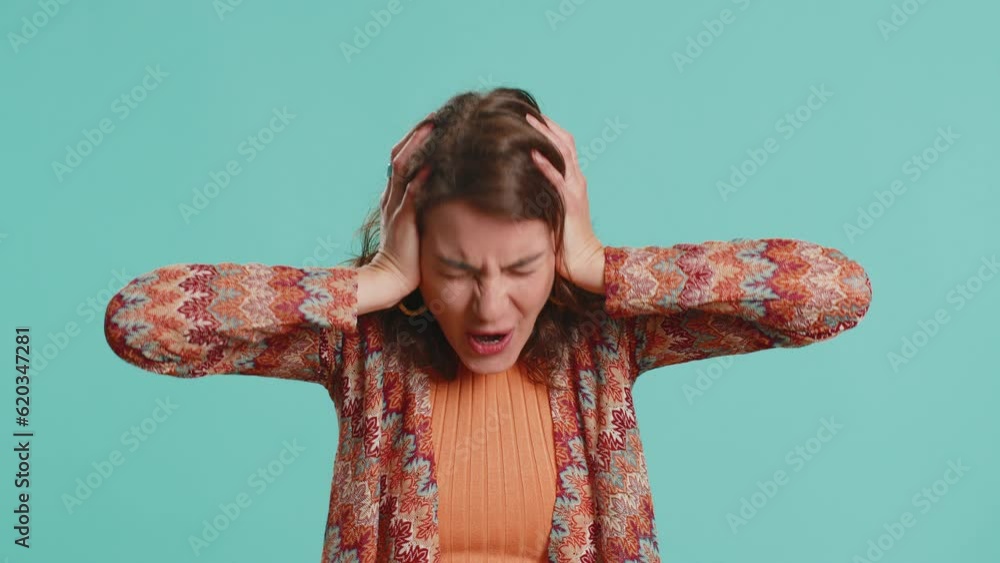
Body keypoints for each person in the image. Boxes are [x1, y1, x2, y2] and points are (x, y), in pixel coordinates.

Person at [104, 87, 873, 562]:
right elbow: (141, 322)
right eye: (457, 269)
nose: (491, 307)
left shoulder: (605, 336)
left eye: (522, 267)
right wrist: (376, 282)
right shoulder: (360, 344)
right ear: (416, 250)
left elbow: (835, 293)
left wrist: (605, 267)